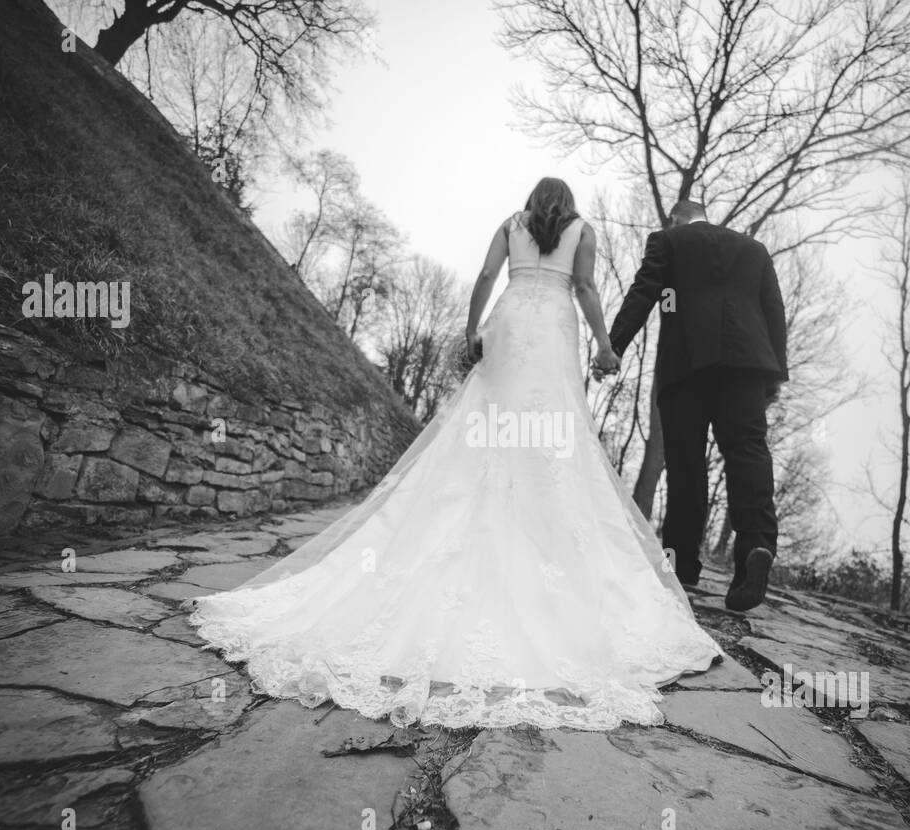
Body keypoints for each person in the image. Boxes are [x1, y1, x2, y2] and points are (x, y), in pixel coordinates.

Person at [185, 178, 719, 730]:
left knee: (488, 425)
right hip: (555, 325)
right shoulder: (583, 231)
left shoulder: (511, 225)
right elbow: (584, 287)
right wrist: (605, 344)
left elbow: (487, 276)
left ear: (535, 201)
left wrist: (472, 330)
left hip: (510, 320)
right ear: (570, 205)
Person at [607, 200, 788, 612]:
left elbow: (645, 292)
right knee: (748, 452)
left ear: (675, 218)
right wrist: (774, 374)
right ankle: (756, 547)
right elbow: (774, 311)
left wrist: (614, 345)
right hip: (746, 364)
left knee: (686, 461)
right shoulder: (754, 249)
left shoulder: (668, 240)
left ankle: (683, 564)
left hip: (686, 363)